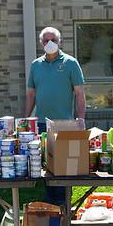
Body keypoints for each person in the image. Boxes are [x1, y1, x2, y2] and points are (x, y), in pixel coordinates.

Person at [25, 27, 86, 205]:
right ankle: (51, 207)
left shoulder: (70, 63)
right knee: (46, 167)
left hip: (65, 125)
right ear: (41, 43)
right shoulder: (35, 65)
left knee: (64, 168)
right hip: (42, 124)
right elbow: (31, 95)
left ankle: (64, 207)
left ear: (60, 42)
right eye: (46, 40)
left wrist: (80, 120)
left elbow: (79, 94)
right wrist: (25, 120)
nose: (50, 43)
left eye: (53, 40)